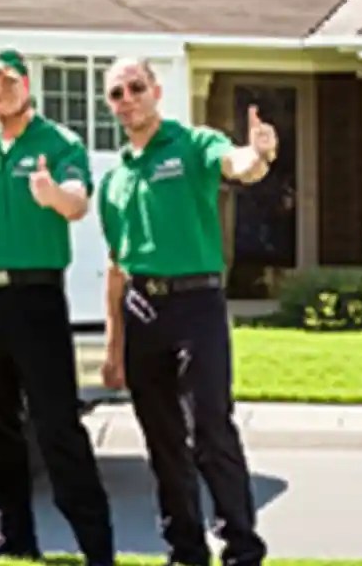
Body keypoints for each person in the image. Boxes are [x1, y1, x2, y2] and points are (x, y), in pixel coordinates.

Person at [96, 58, 272, 566]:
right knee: (162, 441)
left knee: (210, 429)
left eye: (135, 88)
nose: (127, 99)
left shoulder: (193, 144)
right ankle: (184, 550)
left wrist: (258, 154)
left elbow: (237, 164)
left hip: (197, 305)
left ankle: (241, 547)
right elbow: (115, 267)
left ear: (155, 91)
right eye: (116, 94)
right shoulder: (114, 182)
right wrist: (114, 350)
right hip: (140, 308)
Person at [0, 48, 115, 565]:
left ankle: (96, 544)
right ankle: (14, 538)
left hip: (37, 299)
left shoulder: (58, 144)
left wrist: (50, 194)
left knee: (56, 425)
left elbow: (78, 202)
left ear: (26, 84)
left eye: (6, 81)